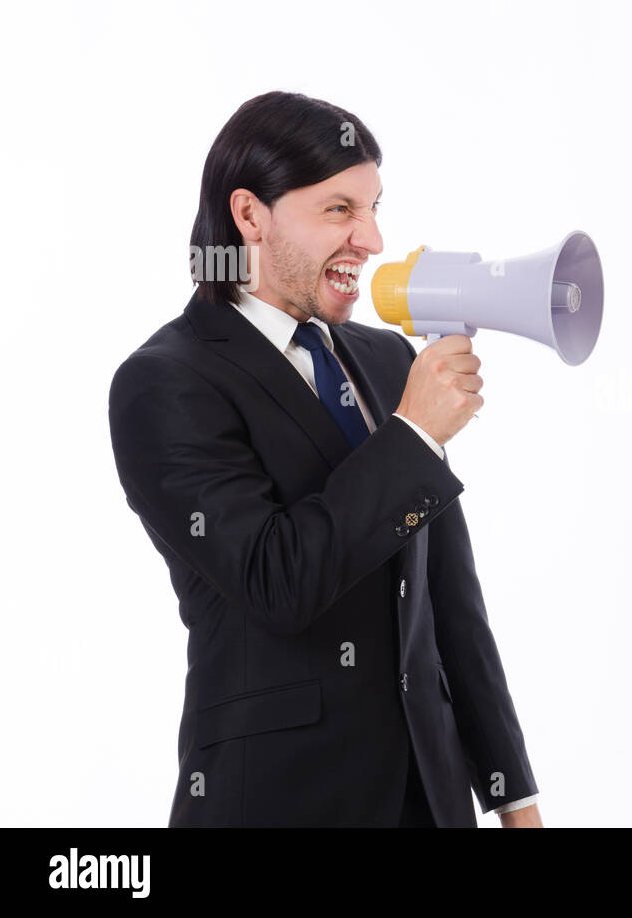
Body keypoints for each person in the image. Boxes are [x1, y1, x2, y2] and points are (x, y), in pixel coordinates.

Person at [108, 91, 541, 827]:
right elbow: (277, 579)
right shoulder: (166, 381)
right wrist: (412, 434)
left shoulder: (382, 357)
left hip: (429, 802)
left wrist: (514, 798)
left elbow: (450, 604)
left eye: (374, 208)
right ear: (249, 214)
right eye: (340, 209)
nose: (372, 239)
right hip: (279, 800)